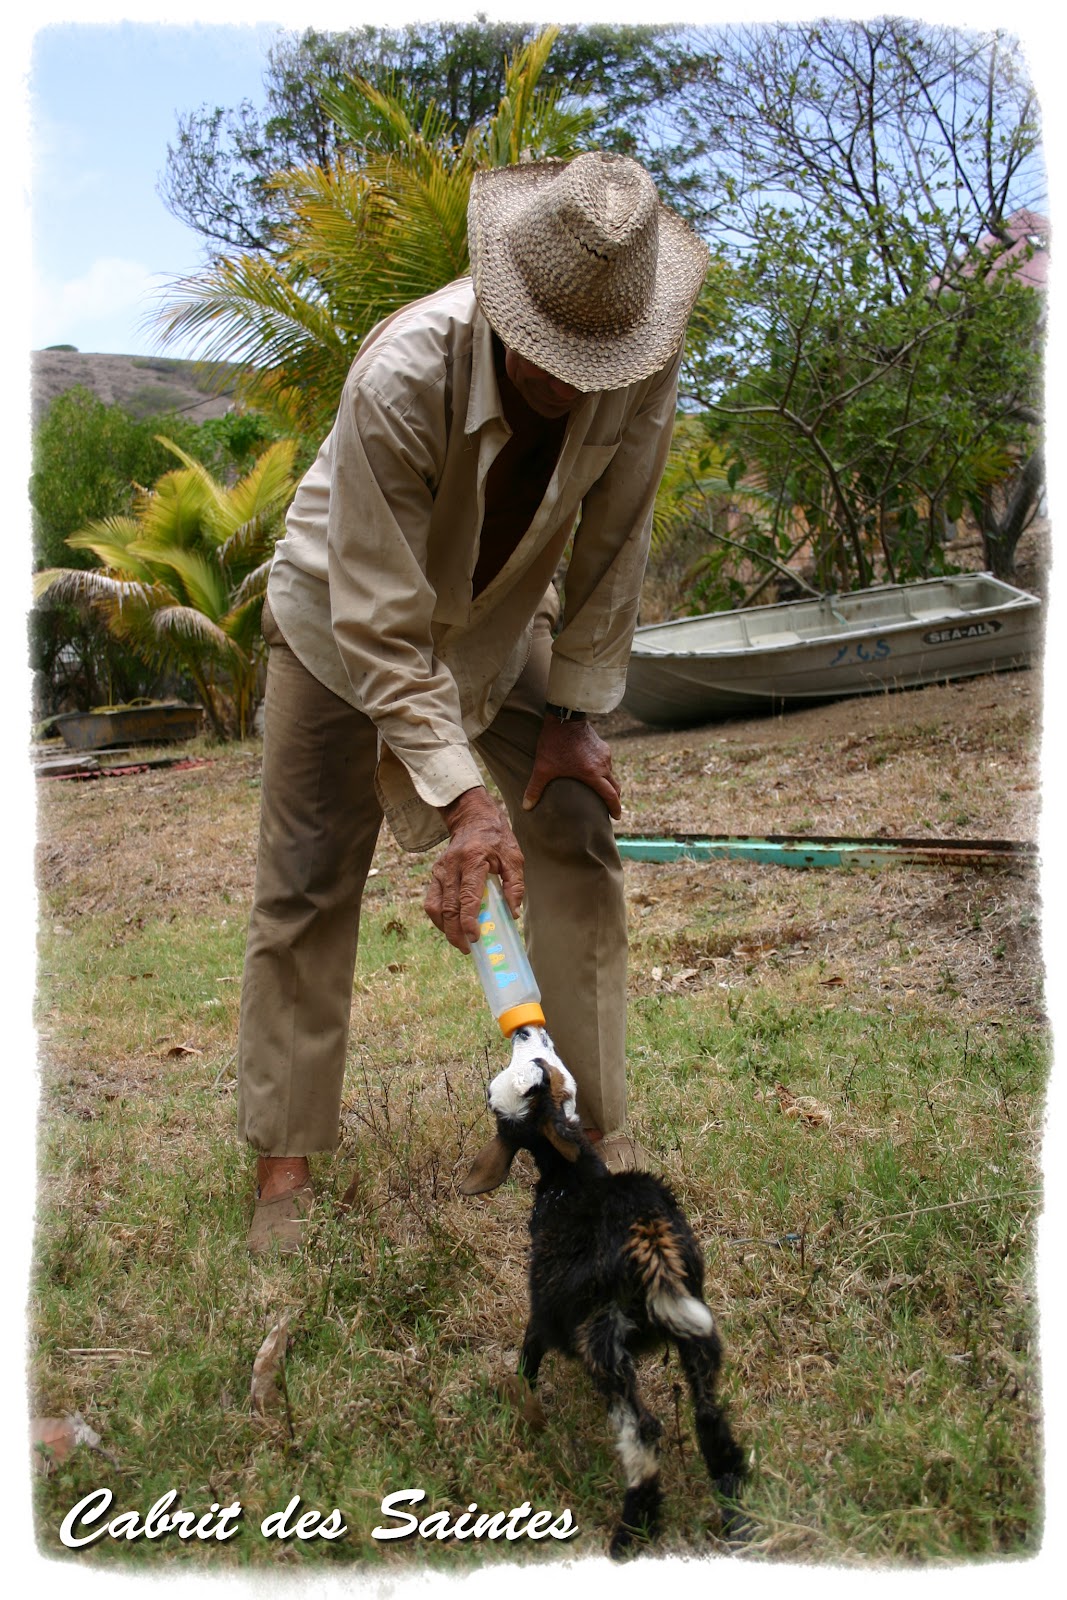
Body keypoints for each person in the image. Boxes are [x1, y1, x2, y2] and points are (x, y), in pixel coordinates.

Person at [238, 151, 709, 1252]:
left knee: (577, 821)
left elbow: (615, 538)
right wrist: (461, 802)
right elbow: (381, 627)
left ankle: (573, 1137)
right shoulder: (401, 375)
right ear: (503, 302)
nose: (571, 379)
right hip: (339, 619)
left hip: (500, 619)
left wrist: (574, 714)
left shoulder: (639, 364)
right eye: (550, 353)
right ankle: (283, 1169)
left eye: (595, 360)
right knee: (308, 877)